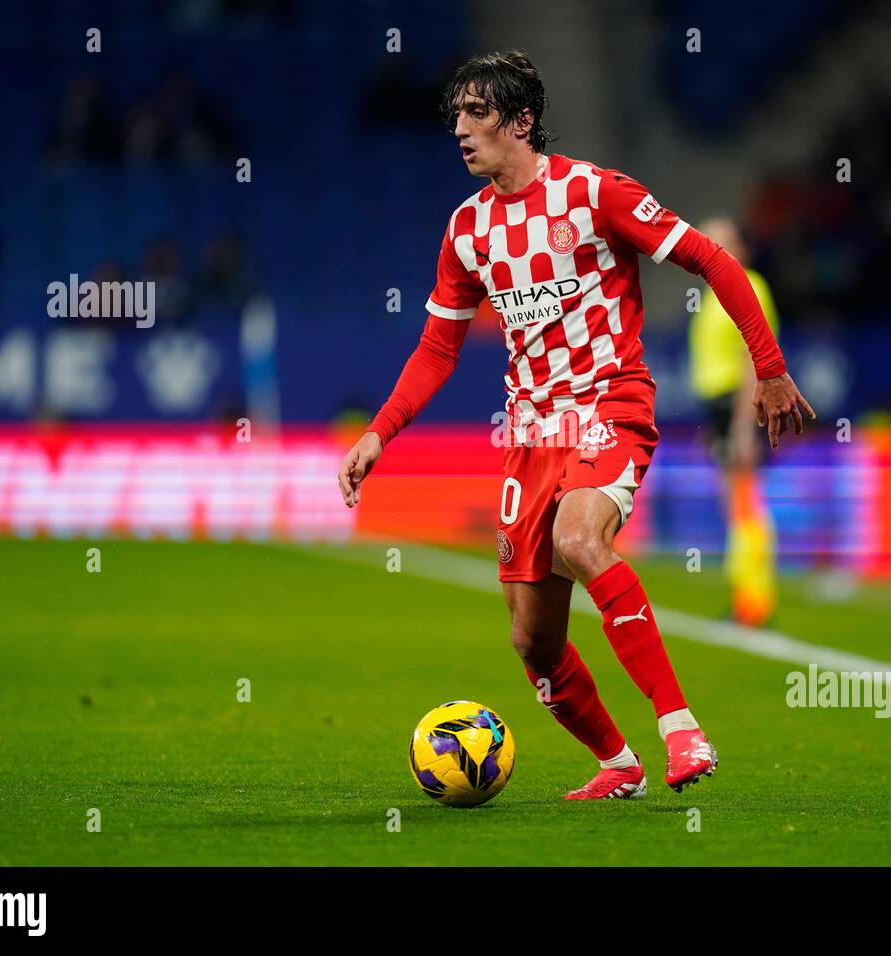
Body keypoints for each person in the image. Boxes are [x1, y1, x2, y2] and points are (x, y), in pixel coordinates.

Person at [337, 50, 815, 800]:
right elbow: (438, 346)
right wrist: (379, 431)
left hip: (607, 404)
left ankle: (680, 726)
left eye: (477, 114)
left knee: (579, 539)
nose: (460, 130)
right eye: (455, 115)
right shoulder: (466, 231)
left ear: (522, 121)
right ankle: (619, 764)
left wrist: (770, 366)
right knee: (533, 640)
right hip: (530, 437)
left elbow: (713, 261)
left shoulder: (595, 193)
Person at [689, 217, 782, 627]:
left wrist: (744, 426)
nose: (712, 252)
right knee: (737, 503)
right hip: (720, 408)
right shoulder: (713, 294)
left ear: (741, 249)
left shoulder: (749, 286)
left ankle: (754, 601)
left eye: (721, 245)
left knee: (745, 502)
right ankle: (745, 597)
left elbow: (753, 360)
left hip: (739, 406)